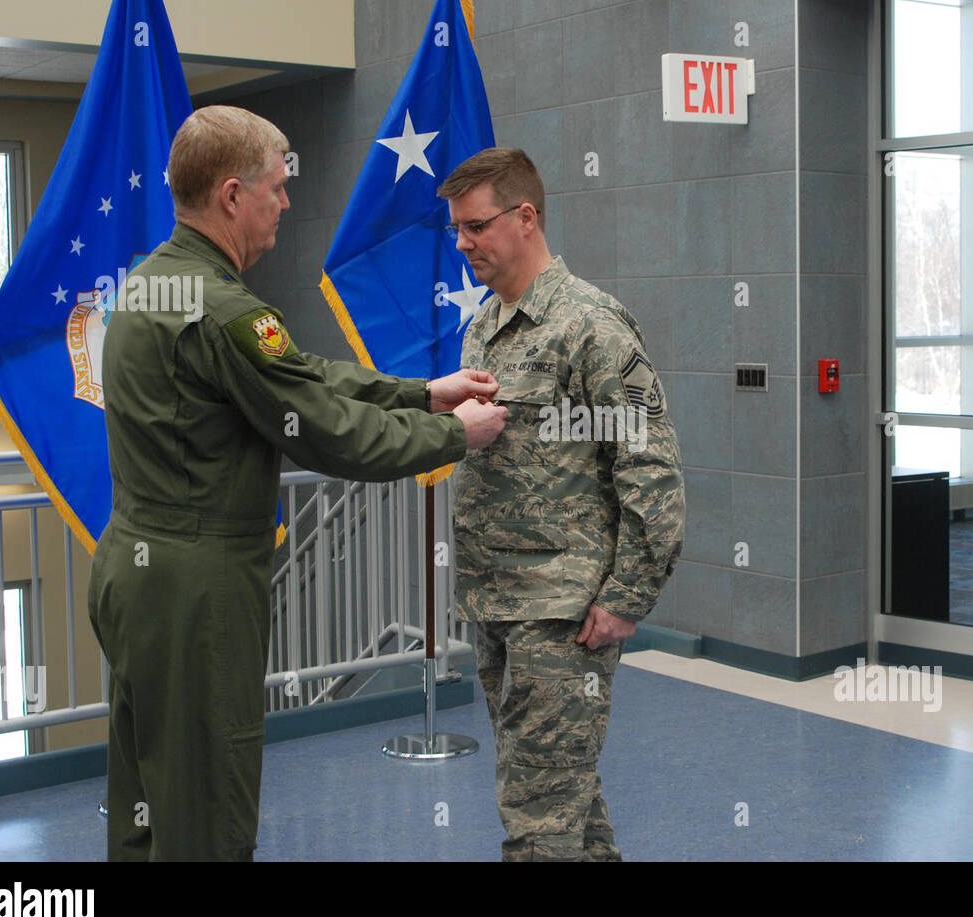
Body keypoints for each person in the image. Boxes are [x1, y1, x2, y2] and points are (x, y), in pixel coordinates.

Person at [88, 105, 507, 861]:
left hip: (136, 569)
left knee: (148, 800)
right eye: (277, 189)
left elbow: (302, 376)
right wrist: (455, 433)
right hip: (198, 588)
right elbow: (326, 430)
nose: (286, 203)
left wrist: (419, 392)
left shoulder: (151, 286)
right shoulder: (222, 311)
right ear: (230, 195)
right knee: (207, 812)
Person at [437, 148, 685, 861]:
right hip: (496, 600)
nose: (463, 243)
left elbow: (652, 467)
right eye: (456, 229)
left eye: (476, 226)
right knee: (562, 793)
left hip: (562, 610)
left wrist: (627, 596)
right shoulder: (485, 325)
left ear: (526, 217)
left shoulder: (592, 327)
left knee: (537, 816)